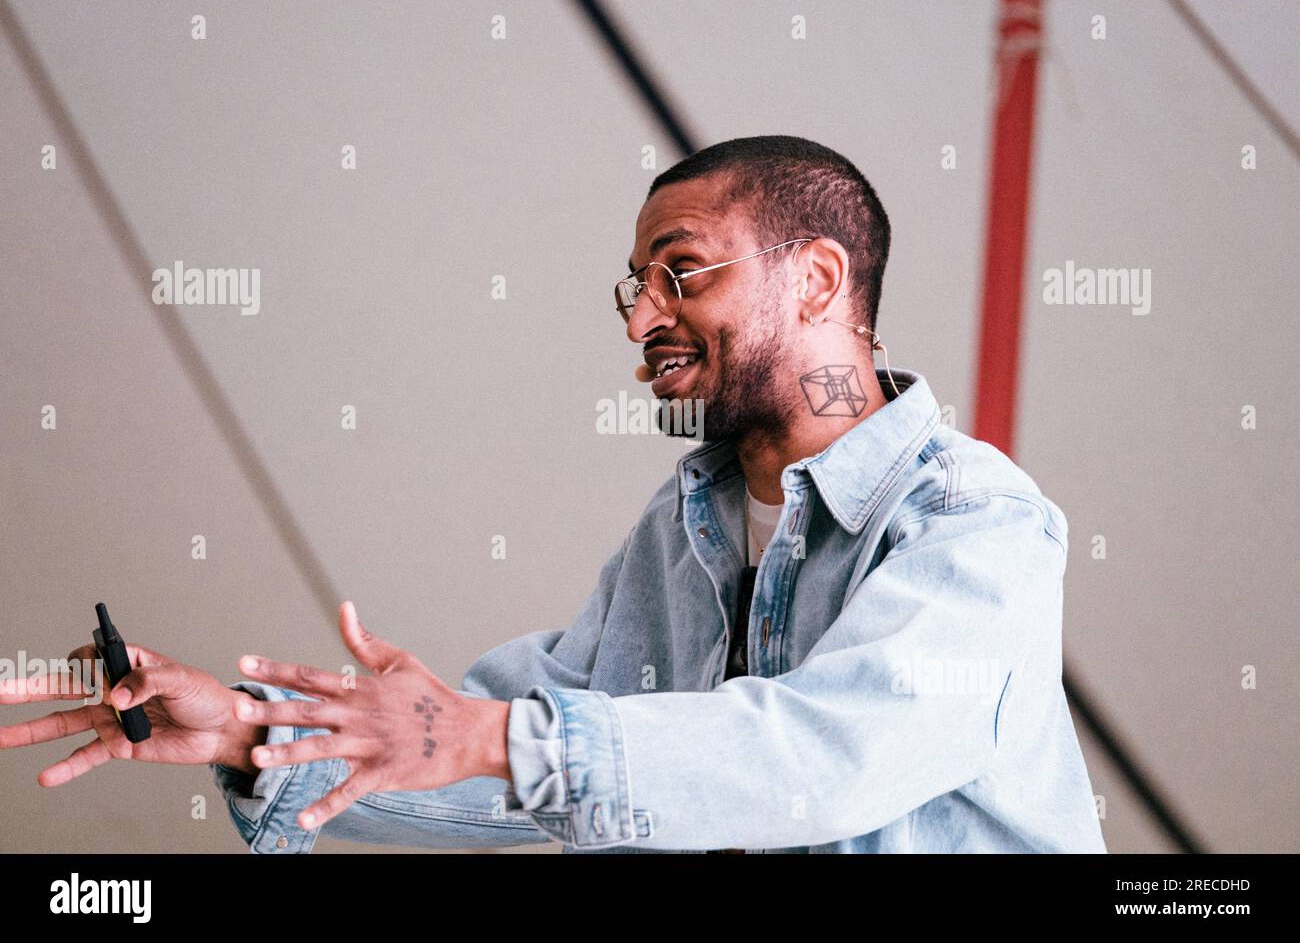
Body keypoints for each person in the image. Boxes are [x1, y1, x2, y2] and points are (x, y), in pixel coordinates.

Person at [0, 135, 1106, 854]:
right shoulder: (679, 538)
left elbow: (821, 758)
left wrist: (496, 734)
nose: (640, 320)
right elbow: (491, 764)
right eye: (634, 288)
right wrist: (248, 732)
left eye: (681, 271)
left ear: (817, 278)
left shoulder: (973, 519)